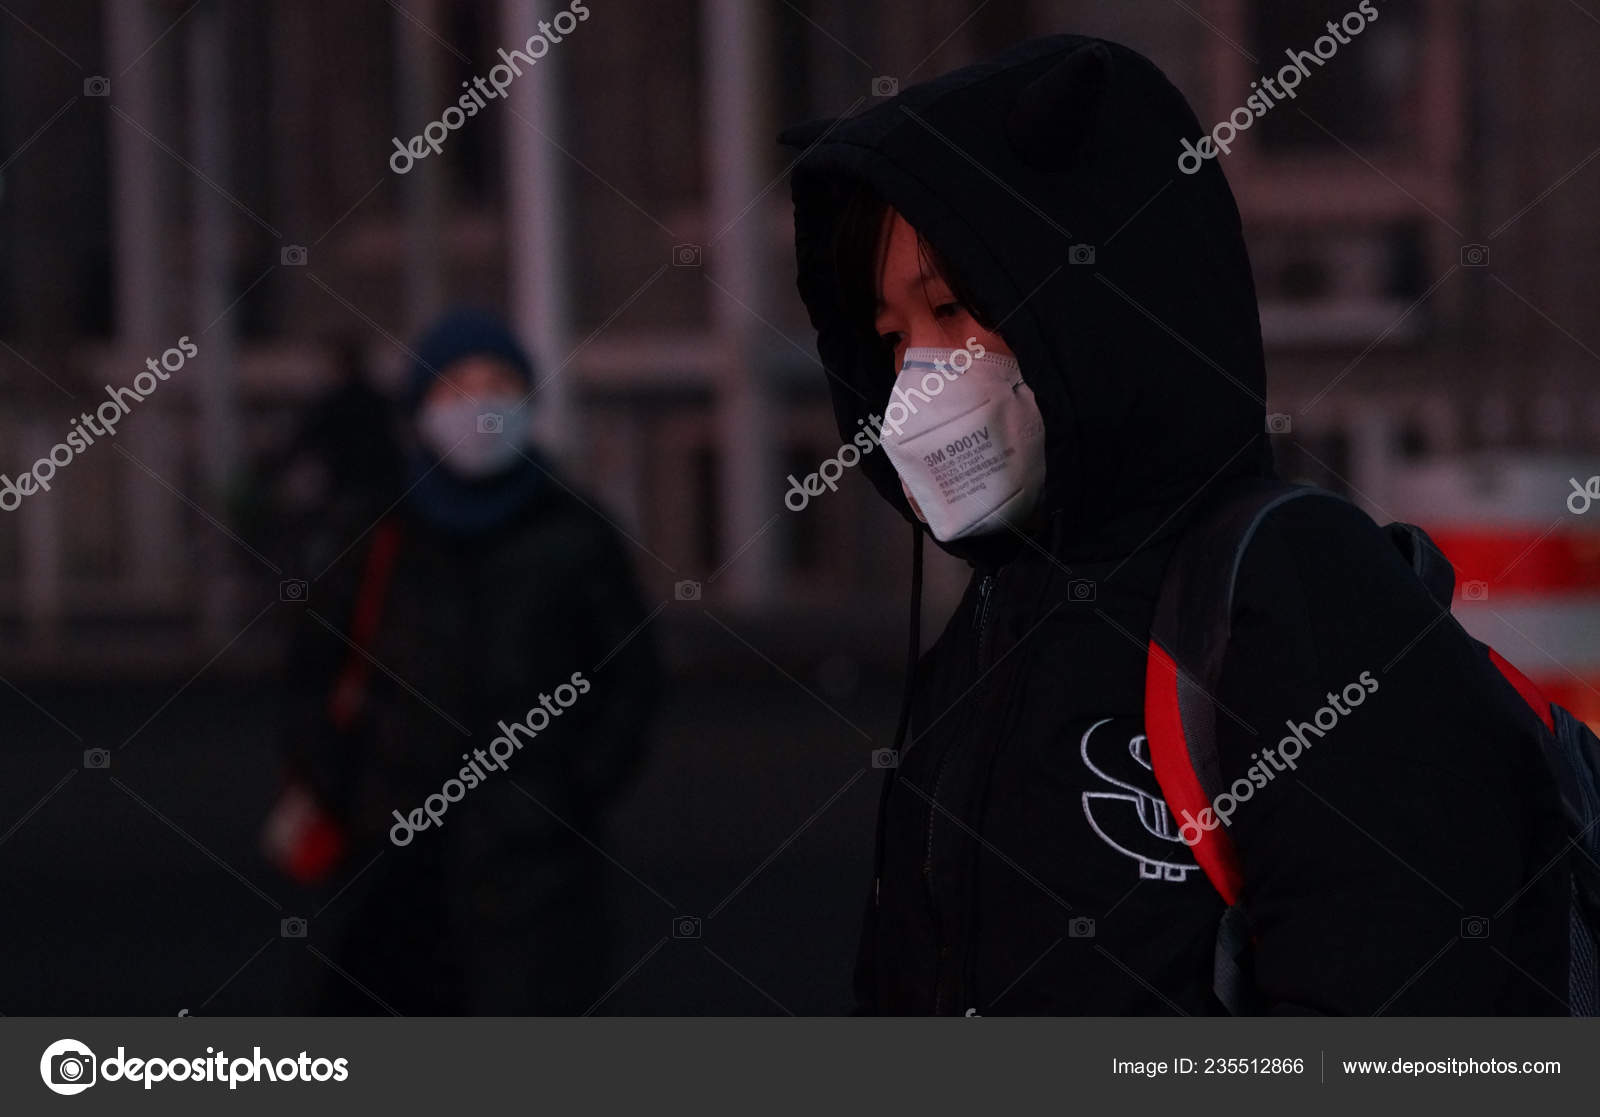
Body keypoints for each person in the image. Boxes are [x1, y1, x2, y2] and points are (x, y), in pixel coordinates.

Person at [779, 35, 1569, 1014]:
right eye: (893, 335)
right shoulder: (997, 618)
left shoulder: (1294, 598)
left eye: (953, 311)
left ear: (1098, 287)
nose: (918, 377)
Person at [267, 308, 659, 1014]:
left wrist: (571, 790)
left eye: (499, 383)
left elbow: (630, 677)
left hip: (537, 873)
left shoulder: (575, 530)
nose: (480, 405)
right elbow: (310, 673)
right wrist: (341, 787)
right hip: (390, 865)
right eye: (457, 387)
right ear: (420, 407)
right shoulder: (375, 530)